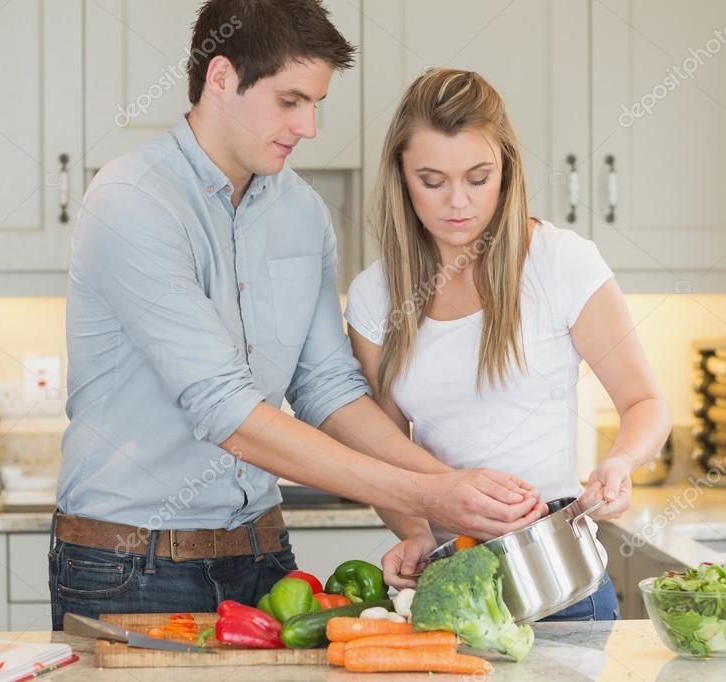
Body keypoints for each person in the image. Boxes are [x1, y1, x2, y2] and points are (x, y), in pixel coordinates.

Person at [50, 3, 541, 628]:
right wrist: (427, 492)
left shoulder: (302, 213)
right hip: (126, 567)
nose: (308, 126)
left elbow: (326, 387)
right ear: (222, 76)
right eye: (291, 101)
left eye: (316, 103)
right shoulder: (130, 201)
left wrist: (453, 491)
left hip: (262, 557)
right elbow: (226, 410)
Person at [345, 68, 672, 620]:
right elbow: (382, 449)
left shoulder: (562, 263)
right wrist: (415, 531)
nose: (458, 202)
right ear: (401, 175)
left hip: (561, 585)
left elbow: (646, 404)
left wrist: (621, 462)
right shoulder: (374, 297)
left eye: (479, 177)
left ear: (506, 170)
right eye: (432, 180)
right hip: (450, 589)